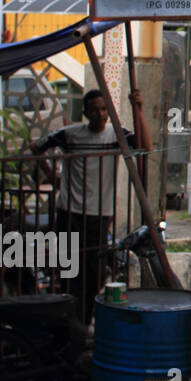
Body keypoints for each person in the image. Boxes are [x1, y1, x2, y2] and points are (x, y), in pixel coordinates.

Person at [30, 87, 148, 322]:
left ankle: (83, 316)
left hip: (98, 214)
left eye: (104, 109)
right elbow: (36, 148)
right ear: (85, 113)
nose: (100, 114)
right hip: (69, 211)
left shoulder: (116, 135)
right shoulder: (70, 134)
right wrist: (52, 177)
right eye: (94, 110)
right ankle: (69, 319)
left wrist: (139, 110)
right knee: (68, 270)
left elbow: (146, 146)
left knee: (94, 271)